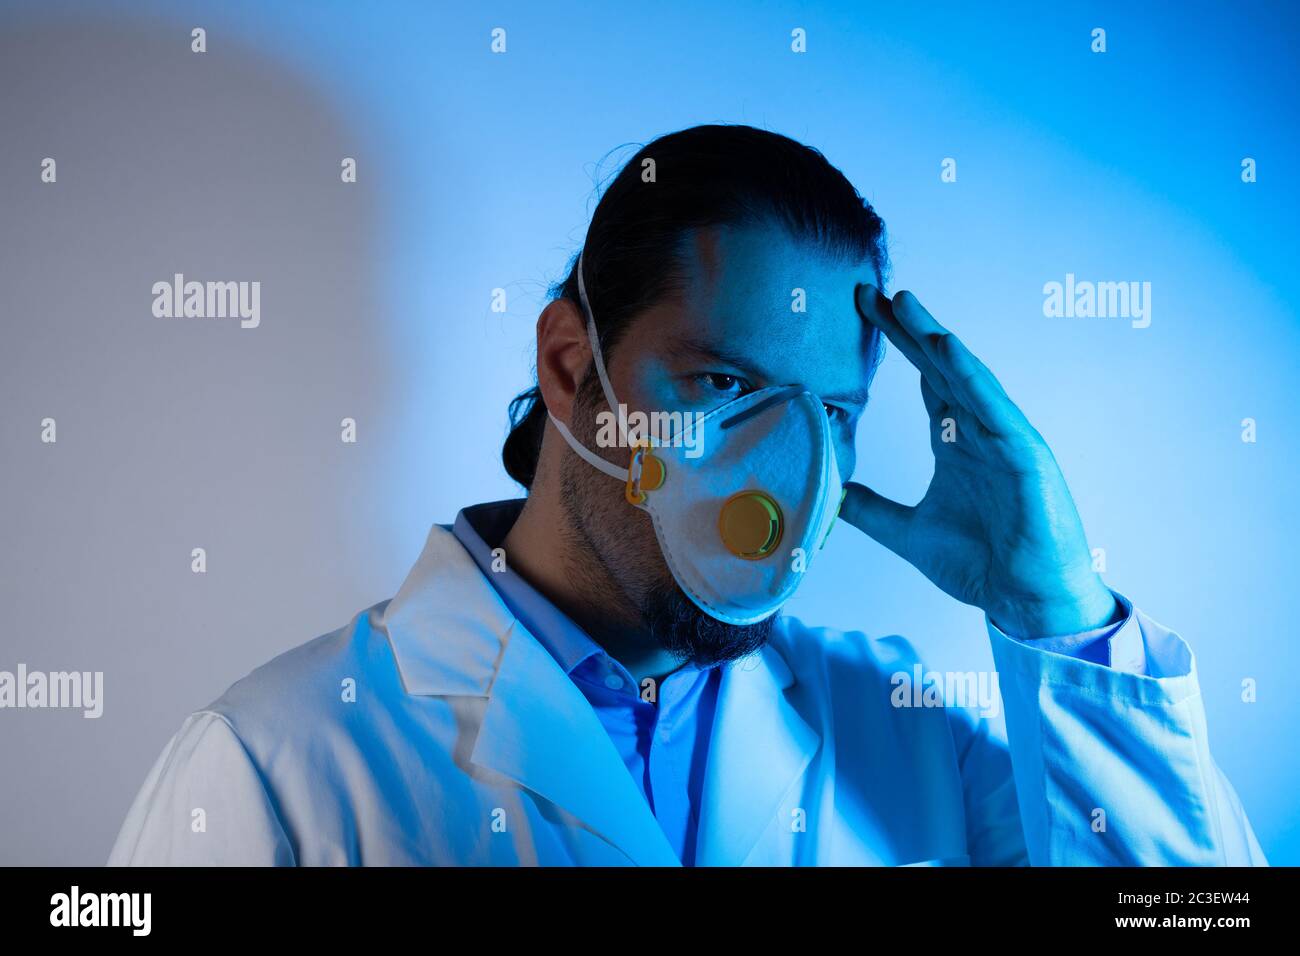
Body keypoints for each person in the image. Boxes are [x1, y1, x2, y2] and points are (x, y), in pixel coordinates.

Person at [108, 124, 1266, 866]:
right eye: (727, 382)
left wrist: (1053, 604)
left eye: (831, 413)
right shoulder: (278, 764)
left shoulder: (905, 733)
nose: (786, 470)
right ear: (574, 370)